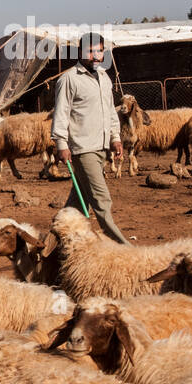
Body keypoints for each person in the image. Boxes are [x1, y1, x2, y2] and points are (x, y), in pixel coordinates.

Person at [51, 32, 130, 244]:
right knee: (102, 199)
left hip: (101, 146)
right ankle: (123, 247)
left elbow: (110, 112)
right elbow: (61, 113)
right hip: (82, 147)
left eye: (99, 51)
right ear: (80, 52)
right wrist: (61, 144)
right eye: (90, 51)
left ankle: (52, 242)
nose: (95, 56)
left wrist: (115, 138)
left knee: (78, 202)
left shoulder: (104, 78)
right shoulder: (68, 79)